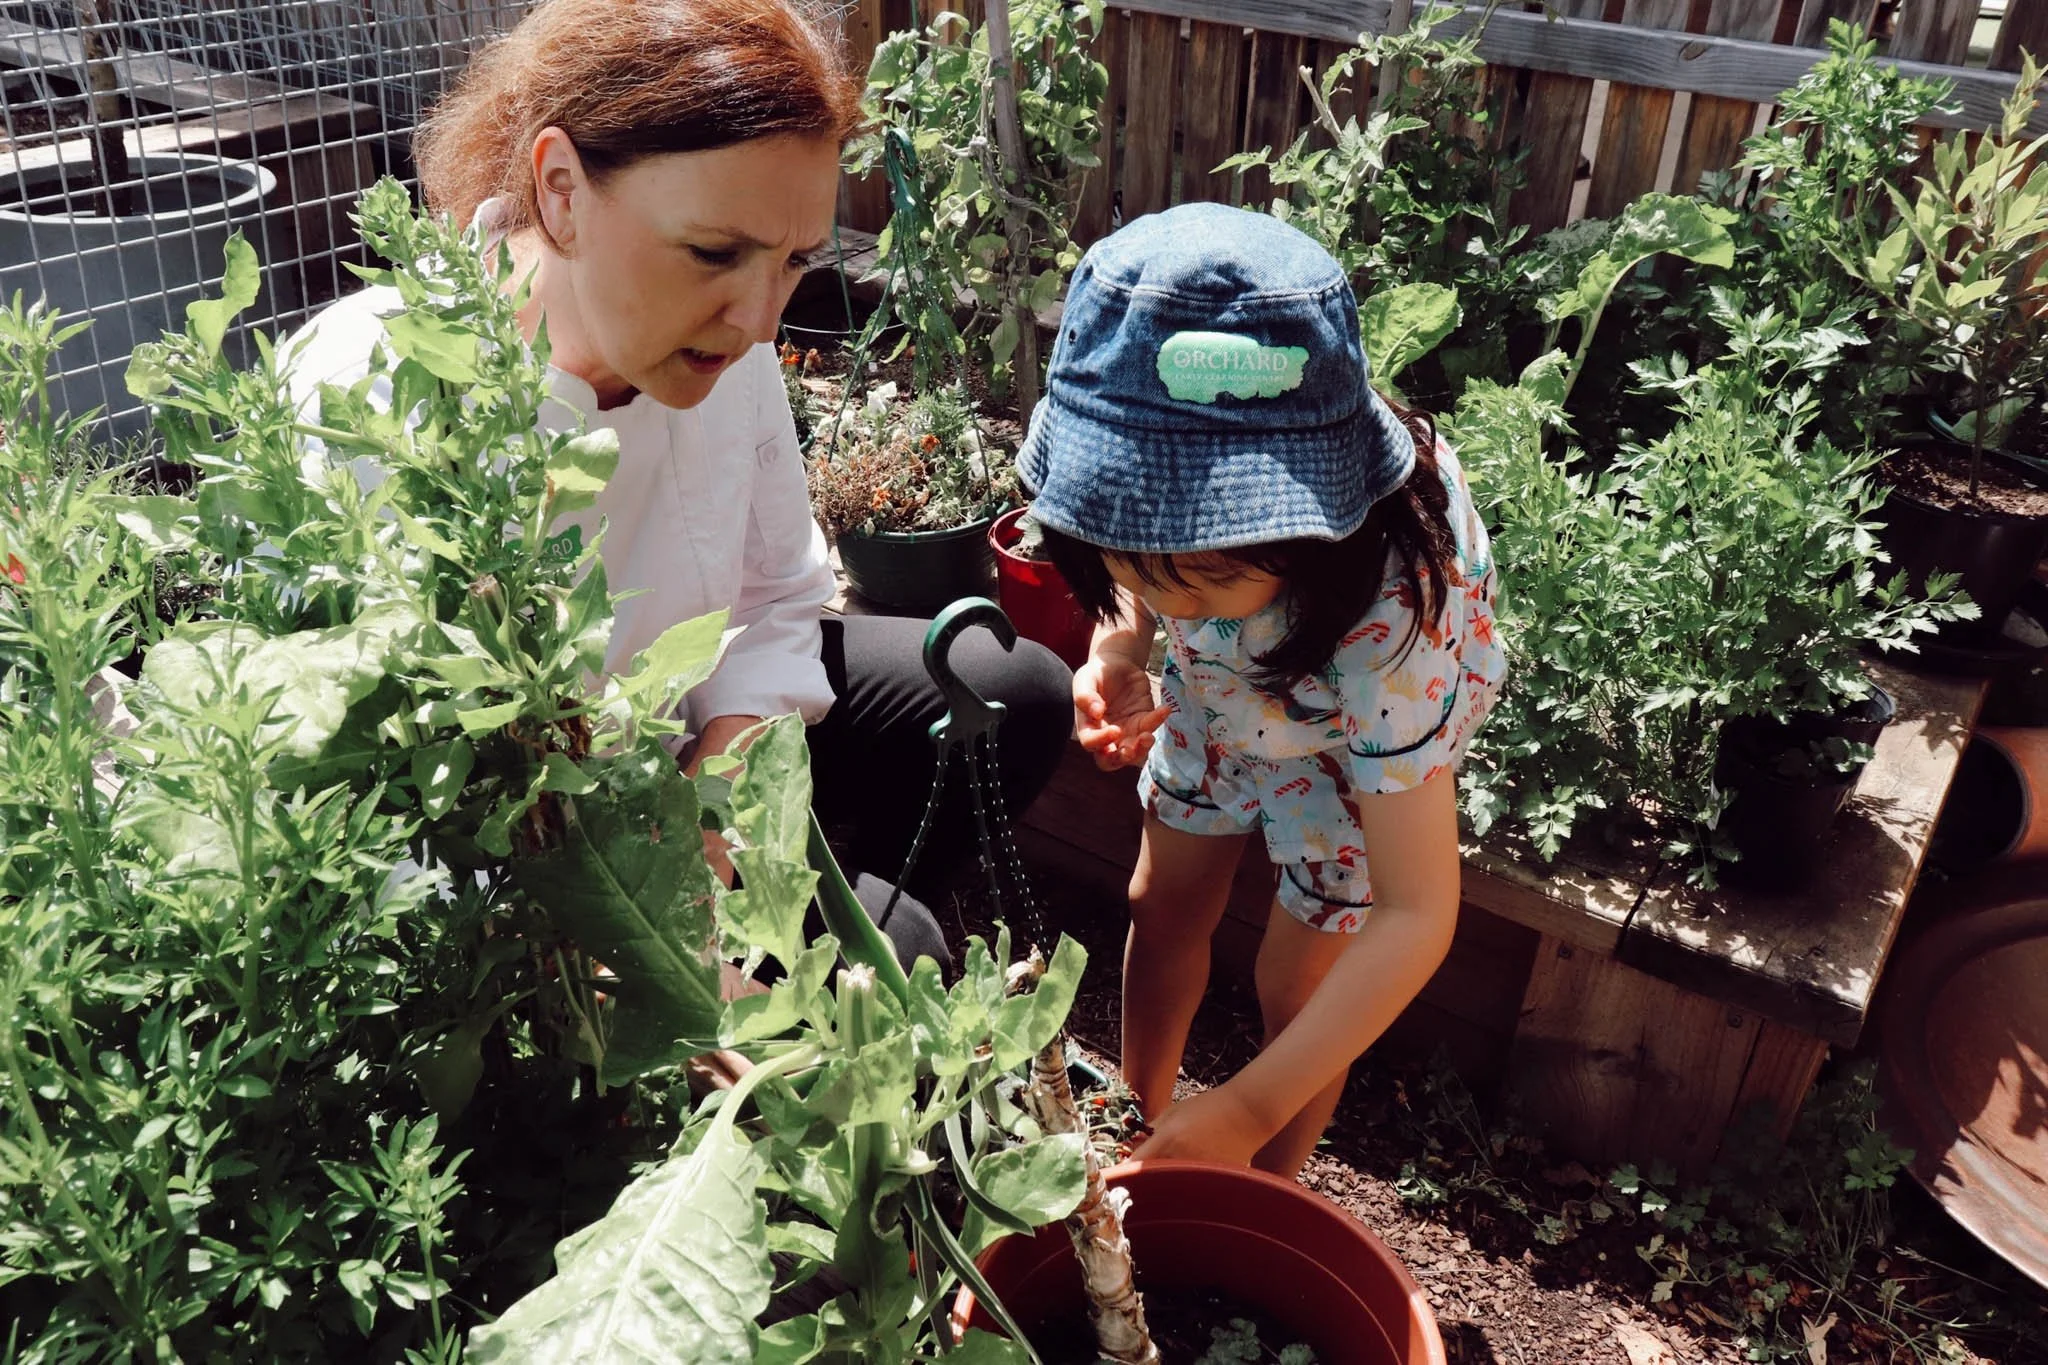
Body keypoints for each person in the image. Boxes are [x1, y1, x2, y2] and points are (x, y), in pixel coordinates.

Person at [280, 0, 1072, 970]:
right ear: (561, 189)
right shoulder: (365, 379)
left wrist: (712, 816)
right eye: (713, 253)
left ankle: (830, 897)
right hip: (501, 850)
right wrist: (629, 957)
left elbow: (780, 595)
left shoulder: (722, 349)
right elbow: (371, 774)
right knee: (895, 960)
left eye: (792, 262)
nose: (756, 316)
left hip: (678, 753)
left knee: (1010, 690)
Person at [1022, 202, 1506, 1177]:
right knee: (1160, 905)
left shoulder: (1388, 620)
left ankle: (1267, 1185)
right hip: (1217, 696)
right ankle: (1134, 1122)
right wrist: (1119, 654)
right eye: (1137, 556)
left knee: (1301, 980)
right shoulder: (1184, 557)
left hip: (1349, 742)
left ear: (1310, 527)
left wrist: (1242, 1110)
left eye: (1195, 577)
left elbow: (1417, 912)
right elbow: (1150, 571)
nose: (1160, 591)